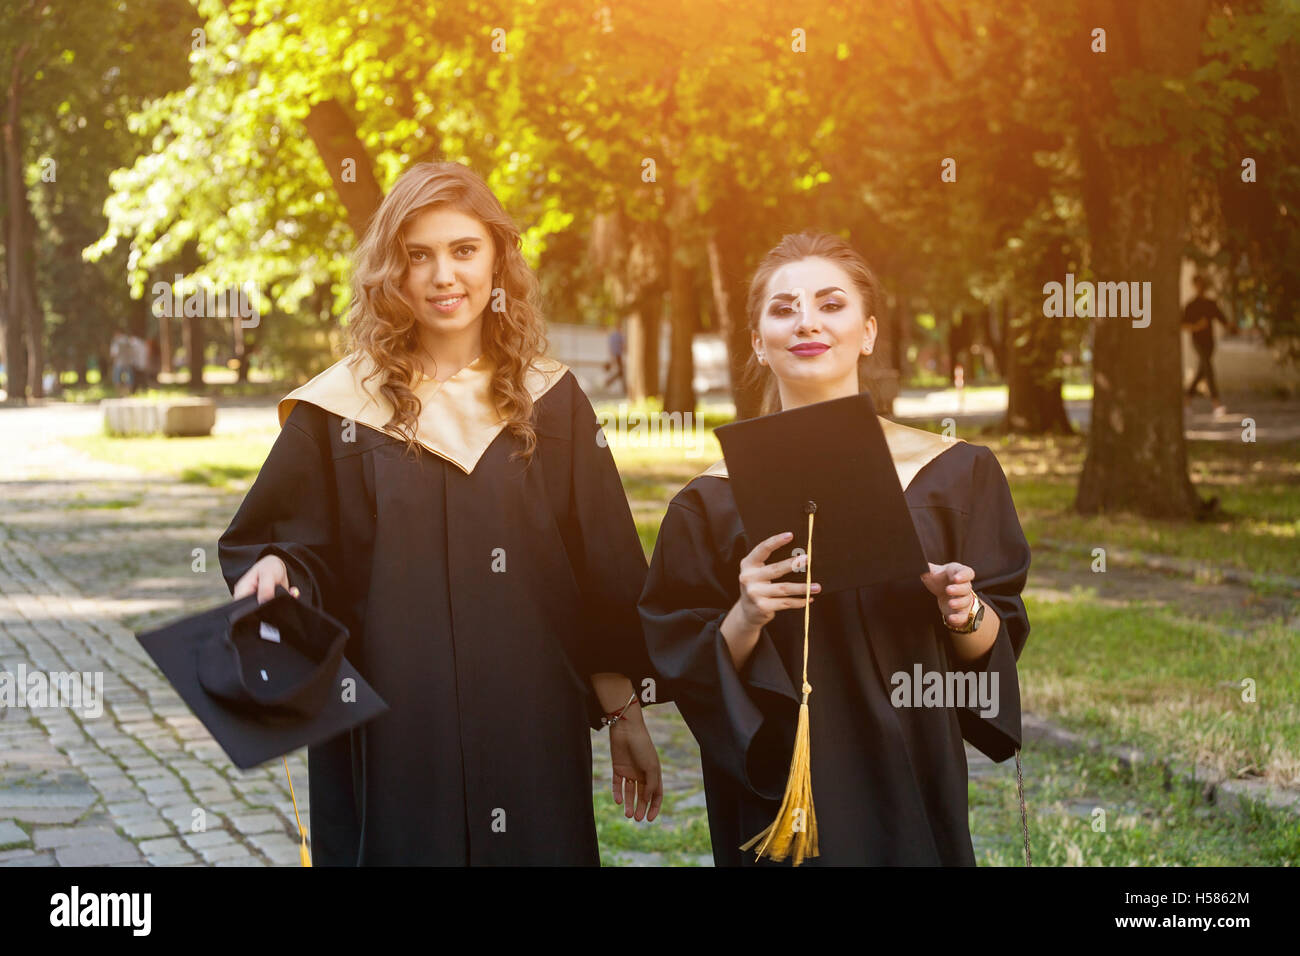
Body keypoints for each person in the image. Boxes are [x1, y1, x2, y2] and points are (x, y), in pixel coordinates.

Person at [218, 161, 664, 865]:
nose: (443, 276)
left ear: (497, 262)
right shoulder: (341, 408)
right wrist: (275, 567)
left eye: (463, 250)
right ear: (391, 272)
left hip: (530, 719)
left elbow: (602, 571)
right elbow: (286, 539)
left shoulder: (552, 401)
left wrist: (623, 711)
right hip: (389, 725)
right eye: (417, 256)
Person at [638, 232, 1031, 866]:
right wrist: (744, 615)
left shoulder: (957, 474)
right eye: (783, 309)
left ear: (869, 331)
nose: (808, 322)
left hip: (912, 759)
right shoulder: (707, 504)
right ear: (759, 344)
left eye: (831, 303)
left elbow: (998, 636)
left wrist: (966, 612)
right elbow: (677, 658)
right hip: (777, 787)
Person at [1182, 274, 1238, 417]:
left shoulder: (1210, 304)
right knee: (1208, 370)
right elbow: (1183, 325)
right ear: (1194, 286)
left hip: (1210, 343)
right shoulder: (1191, 305)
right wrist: (1197, 326)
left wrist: (1235, 327)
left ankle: (1186, 400)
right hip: (1197, 342)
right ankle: (1216, 404)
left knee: (1202, 371)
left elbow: (1223, 320)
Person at [109, 330, 133, 395]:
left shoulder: (116, 342)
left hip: (118, 363)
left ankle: (118, 392)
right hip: (127, 362)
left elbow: (113, 354)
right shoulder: (127, 341)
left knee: (117, 377)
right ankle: (129, 392)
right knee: (128, 377)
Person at [604, 322, 626, 392]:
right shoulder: (620, 335)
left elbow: (610, 347)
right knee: (621, 371)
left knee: (620, 371)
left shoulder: (612, 335)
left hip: (614, 355)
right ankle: (609, 382)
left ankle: (610, 382)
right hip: (618, 355)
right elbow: (623, 346)